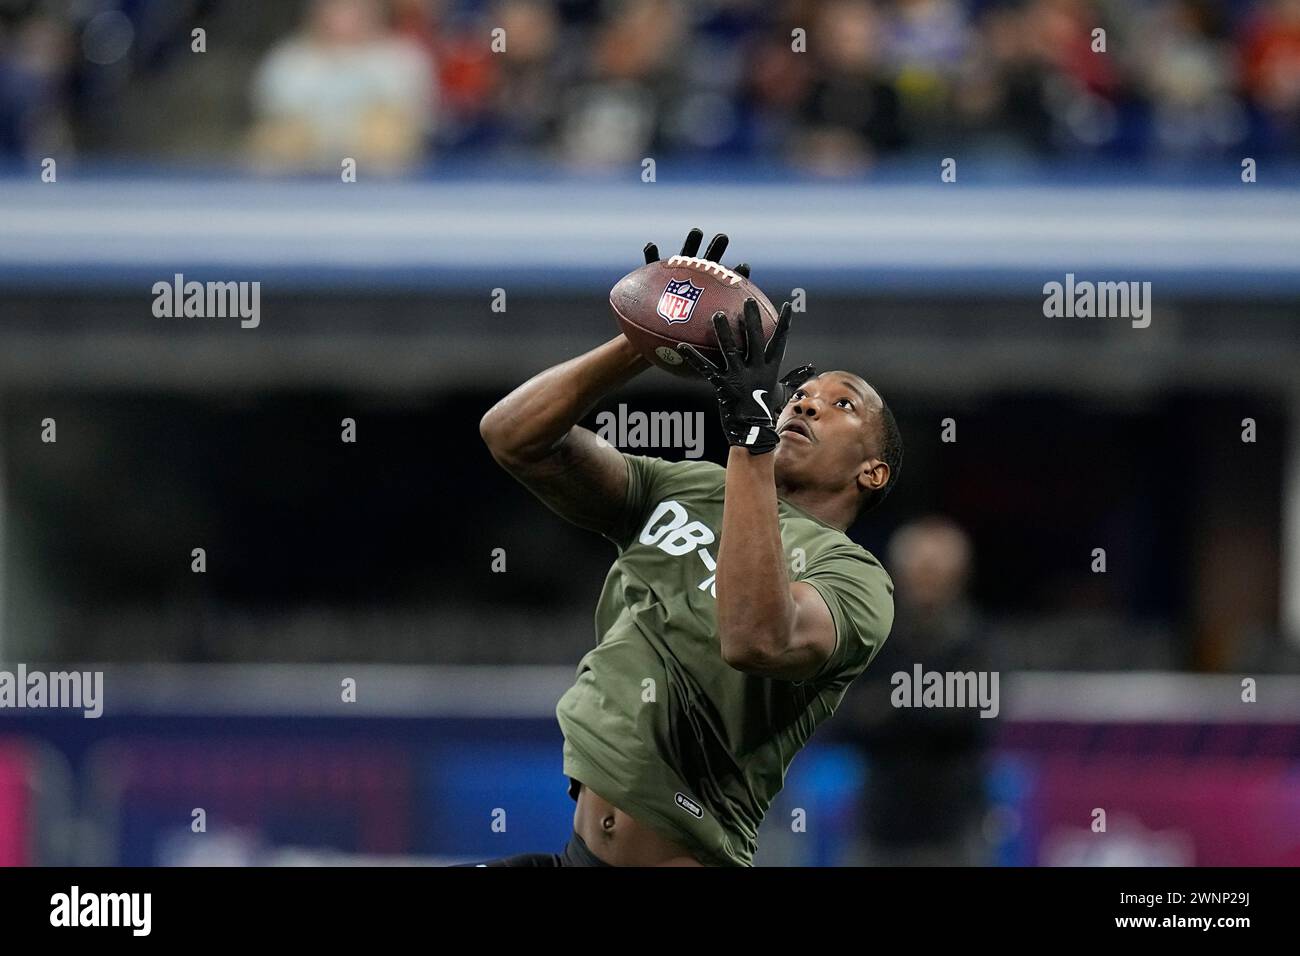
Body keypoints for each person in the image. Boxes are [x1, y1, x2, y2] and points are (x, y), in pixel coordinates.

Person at [471, 229, 902, 866]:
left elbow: (755, 638)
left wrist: (750, 444)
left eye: (841, 405)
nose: (805, 407)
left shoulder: (857, 580)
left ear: (873, 472)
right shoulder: (688, 485)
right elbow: (513, 438)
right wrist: (644, 342)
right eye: (800, 397)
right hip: (577, 855)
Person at [833, 516, 992, 866]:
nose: (927, 578)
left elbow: (971, 719)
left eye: (936, 569)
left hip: (952, 833)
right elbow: (840, 718)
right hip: (878, 830)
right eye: (919, 568)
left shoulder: (977, 642)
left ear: (960, 574)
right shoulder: (873, 637)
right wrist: (925, 699)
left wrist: (887, 706)